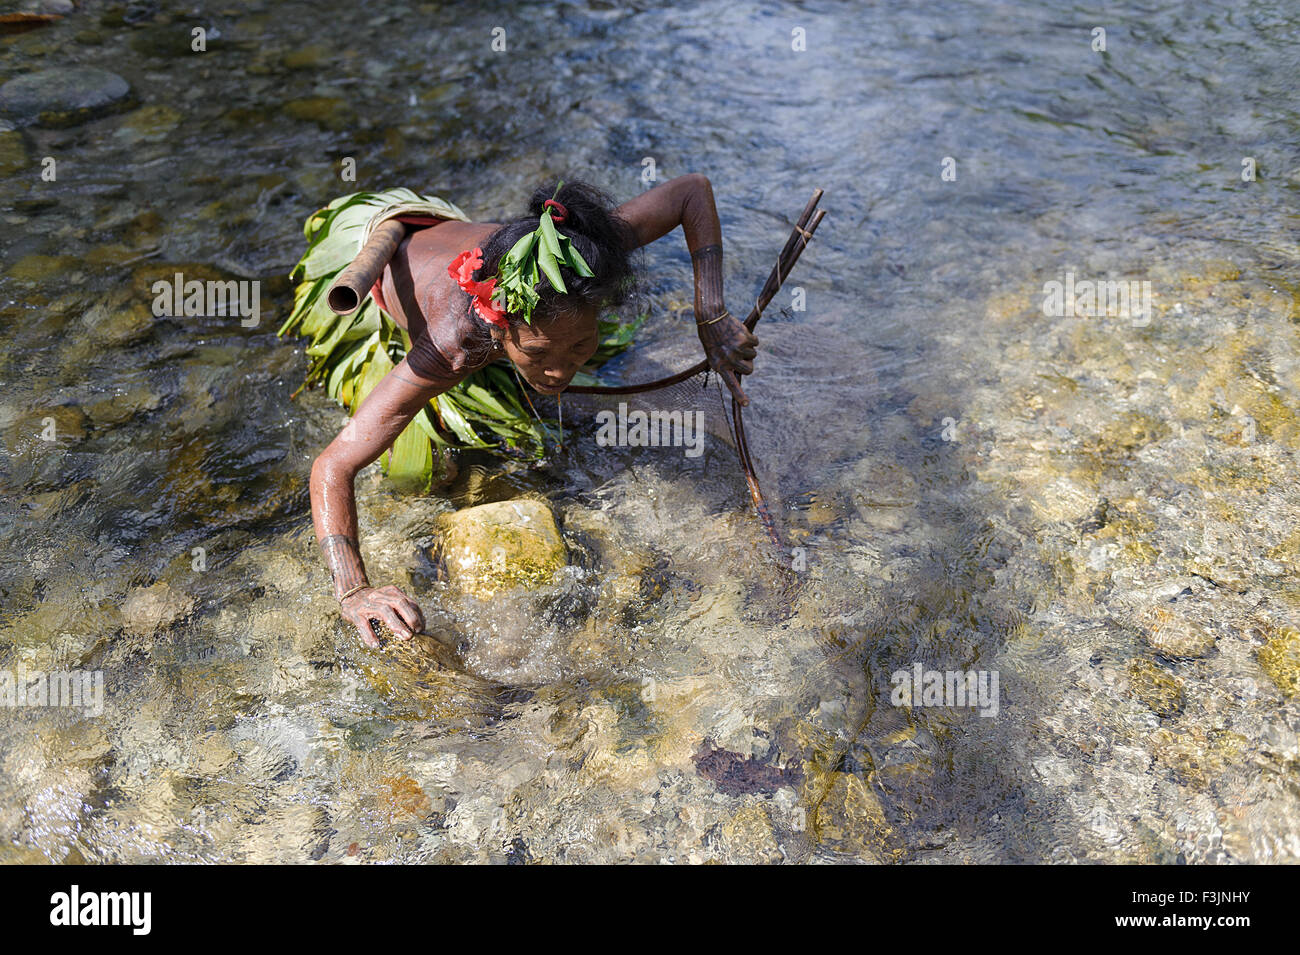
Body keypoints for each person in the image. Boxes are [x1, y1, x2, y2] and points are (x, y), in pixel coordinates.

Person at [309, 174, 759, 647]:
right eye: (539, 355)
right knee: (419, 474)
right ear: (499, 332)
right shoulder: (452, 346)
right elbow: (332, 466)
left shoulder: (584, 255)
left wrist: (710, 312)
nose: (559, 373)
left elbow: (692, 190)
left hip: (446, 232)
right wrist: (354, 589)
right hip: (375, 246)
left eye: (580, 345)